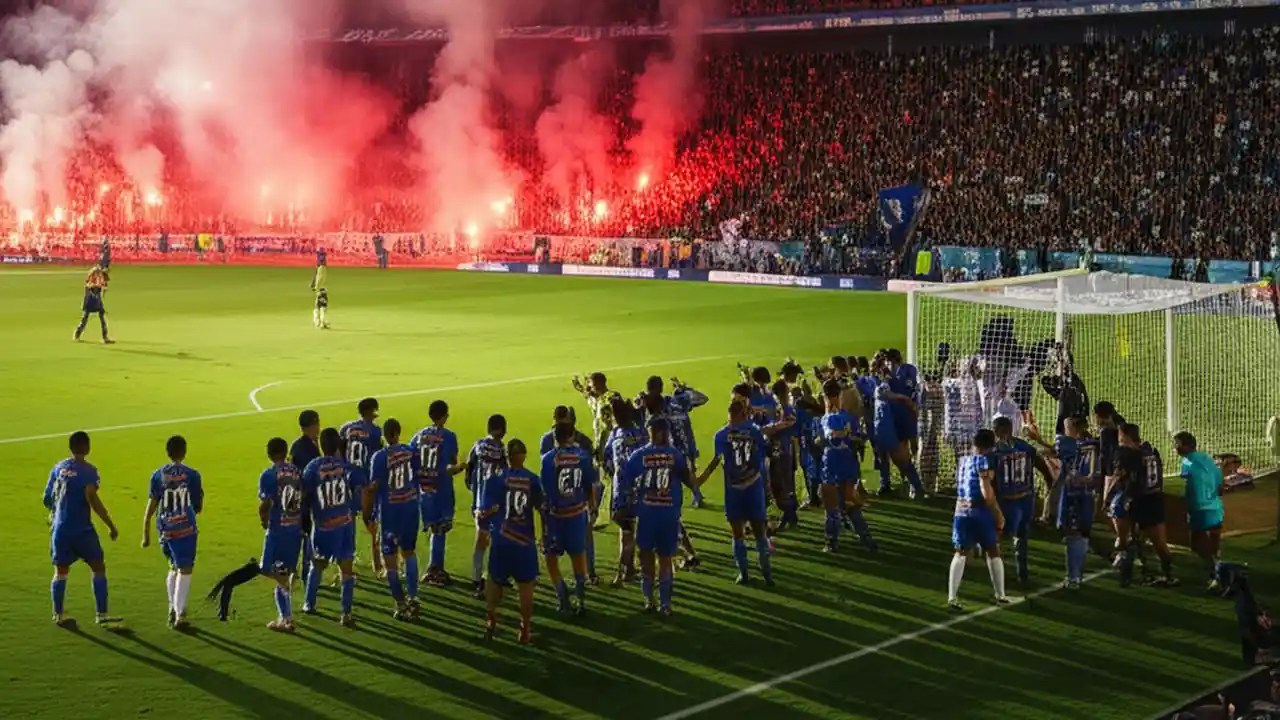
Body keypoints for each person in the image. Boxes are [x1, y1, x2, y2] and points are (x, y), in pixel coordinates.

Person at [205, 438, 303, 627]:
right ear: (285, 452)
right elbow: (302, 495)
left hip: (277, 530)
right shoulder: (297, 472)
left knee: (267, 568)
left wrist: (263, 519)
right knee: (284, 570)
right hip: (294, 527)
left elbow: (265, 504)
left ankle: (285, 603)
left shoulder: (269, 474)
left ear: (270, 454)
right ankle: (286, 618)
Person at [44, 431, 122, 627]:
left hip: (60, 530)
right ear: (87, 447)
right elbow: (93, 500)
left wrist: (55, 514)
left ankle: (58, 614)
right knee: (98, 566)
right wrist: (111, 525)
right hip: (82, 530)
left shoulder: (58, 468)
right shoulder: (89, 471)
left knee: (61, 571)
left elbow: (46, 498)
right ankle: (102, 614)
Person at [698, 400, 773, 586]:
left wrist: (700, 479)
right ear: (743, 413)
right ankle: (767, 574)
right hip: (753, 485)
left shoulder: (721, 435)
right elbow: (762, 459)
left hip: (734, 489)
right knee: (760, 533)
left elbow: (718, 460)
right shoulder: (754, 430)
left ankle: (743, 574)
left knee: (737, 533)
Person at [623, 417, 691, 615]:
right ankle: (663, 603)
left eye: (652, 430)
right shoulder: (675, 455)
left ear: (660, 432)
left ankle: (651, 600)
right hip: (667, 513)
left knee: (649, 556)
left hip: (649, 514)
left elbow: (627, 480)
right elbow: (687, 478)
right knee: (663, 558)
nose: (650, 434)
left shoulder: (640, 455)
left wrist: (628, 504)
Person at [479, 439, 544, 643]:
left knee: (494, 580)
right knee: (526, 585)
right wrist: (545, 534)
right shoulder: (532, 480)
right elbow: (541, 508)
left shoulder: (494, 480)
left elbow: (483, 513)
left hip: (501, 539)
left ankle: (491, 621)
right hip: (524, 540)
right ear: (523, 456)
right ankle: (524, 629)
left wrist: (489, 527)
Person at [301, 428, 366, 625]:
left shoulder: (313, 467)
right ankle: (346, 613)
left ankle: (309, 603)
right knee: (346, 567)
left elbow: (304, 495)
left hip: (323, 526)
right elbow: (359, 487)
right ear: (338, 445)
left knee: (318, 564)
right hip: (344, 523)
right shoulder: (345, 467)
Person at [141, 435, 204, 629]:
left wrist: (145, 532)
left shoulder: (157, 475)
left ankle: (172, 608)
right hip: (184, 529)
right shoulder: (192, 475)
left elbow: (152, 504)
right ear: (184, 452)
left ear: (167, 453)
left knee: (172, 567)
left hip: (165, 529)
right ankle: (180, 615)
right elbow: (198, 504)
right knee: (185, 569)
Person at [363, 419, 422, 620]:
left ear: (385, 436)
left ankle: (401, 604)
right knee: (409, 553)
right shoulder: (410, 451)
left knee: (390, 561)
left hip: (390, 512)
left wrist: (367, 513)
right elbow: (418, 474)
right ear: (398, 432)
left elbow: (373, 487)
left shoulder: (379, 457)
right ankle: (414, 597)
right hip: (411, 507)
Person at [539, 422, 598, 615]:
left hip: (556, 517)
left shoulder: (548, 459)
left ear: (555, 438)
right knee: (578, 557)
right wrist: (592, 506)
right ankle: (582, 602)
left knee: (550, 559)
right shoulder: (583, 456)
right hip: (577, 514)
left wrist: (543, 523)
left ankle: (563, 599)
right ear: (572, 435)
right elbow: (590, 485)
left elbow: (545, 495)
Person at [947, 429, 1009, 610]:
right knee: (992, 550)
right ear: (991, 446)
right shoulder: (983, 461)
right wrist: (998, 513)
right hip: (979, 511)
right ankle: (1001, 595)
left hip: (961, 511)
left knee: (960, 552)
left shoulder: (963, 461)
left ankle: (952, 596)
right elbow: (986, 492)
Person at [815, 380, 877, 553]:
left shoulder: (827, 419)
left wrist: (823, 440)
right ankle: (866, 539)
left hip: (832, 465)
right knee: (850, 505)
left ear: (826, 397)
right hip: (849, 464)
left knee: (832, 508)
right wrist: (853, 438)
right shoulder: (850, 418)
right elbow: (859, 438)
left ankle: (831, 542)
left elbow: (831, 437)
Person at [990, 416, 1053, 585]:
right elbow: (1040, 463)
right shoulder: (1024, 446)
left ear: (996, 432)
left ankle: (1002, 572)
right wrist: (1048, 480)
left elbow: (988, 477)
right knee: (1021, 536)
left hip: (1006, 500)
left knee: (1000, 535)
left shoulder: (994, 450)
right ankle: (1021, 572)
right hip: (1026, 498)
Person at [1114, 422, 1178, 587]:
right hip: (1155, 498)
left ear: (1125, 436)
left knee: (1137, 539)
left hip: (1141, 500)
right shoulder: (1151, 451)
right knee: (1155, 542)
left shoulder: (1129, 454)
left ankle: (1143, 574)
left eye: (1120, 435)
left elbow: (1122, 477)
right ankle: (1163, 574)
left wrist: (1116, 496)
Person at [411, 400, 465, 587]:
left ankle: (433, 567)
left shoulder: (418, 436)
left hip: (424, 490)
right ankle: (435, 570)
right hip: (441, 489)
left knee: (434, 529)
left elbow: (412, 459)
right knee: (440, 530)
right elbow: (450, 466)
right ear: (443, 416)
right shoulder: (449, 436)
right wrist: (462, 467)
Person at [603, 399, 648, 586]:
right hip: (639, 487)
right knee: (627, 529)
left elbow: (606, 460)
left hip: (620, 488)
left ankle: (621, 573)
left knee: (626, 529)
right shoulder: (641, 434)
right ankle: (628, 570)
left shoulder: (614, 435)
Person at [1175, 431, 1226, 589]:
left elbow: (1191, 486)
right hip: (1216, 507)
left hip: (1200, 508)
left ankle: (1217, 574)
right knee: (1213, 541)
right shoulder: (1208, 459)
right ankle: (1218, 568)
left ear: (1187, 446)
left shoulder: (1188, 462)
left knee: (1197, 544)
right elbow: (1220, 486)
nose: (1175, 448)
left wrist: (1188, 505)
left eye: (1178, 444)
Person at [1053, 416, 1100, 589]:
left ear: (1072, 429)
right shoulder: (1095, 445)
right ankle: (1077, 575)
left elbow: (1056, 451)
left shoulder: (1068, 444)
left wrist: (1036, 439)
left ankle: (1073, 578)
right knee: (1083, 533)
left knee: (1072, 535)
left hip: (1073, 495)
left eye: (1066, 428)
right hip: (1089, 495)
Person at [466, 414, 509, 599]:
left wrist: (474, 492)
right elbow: (506, 476)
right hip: (496, 503)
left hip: (480, 502)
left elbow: (469, 469)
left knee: (480, 540)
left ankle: (476, 578)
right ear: (502, 429)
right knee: (498, 541)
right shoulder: (501, 450)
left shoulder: (477, 446)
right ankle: (495, 578)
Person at [342, 398, 384, 577]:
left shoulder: (346, 428)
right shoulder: (374, 431)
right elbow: (376, 457)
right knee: (372, 523)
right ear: (370, 411)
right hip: (365, 481)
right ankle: (377, 563)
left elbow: (340, 451)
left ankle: (348, 561)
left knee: (349, 521)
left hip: (348, 479)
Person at [872, 357, 925, 498]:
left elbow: (899, 399)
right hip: (881, 427)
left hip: (890, 427)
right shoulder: (881, 384)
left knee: (901, 459)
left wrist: (908, 402)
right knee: (883, 457)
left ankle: (917, 487)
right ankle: (886, 485)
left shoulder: (887, 386)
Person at [290, 410, 322, 585]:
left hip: (297, 498)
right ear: (312, 424)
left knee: (301, 535)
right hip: (307, 499)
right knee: (308, 536)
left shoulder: (298, 445)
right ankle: (305, 574)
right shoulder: (308, 448)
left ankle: (295, 571)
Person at [769, 380, 801, 531]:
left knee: (783, 485)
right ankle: (791, 515)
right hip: (781, 451)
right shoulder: (780, 409)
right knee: (783, 485)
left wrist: (775, 427)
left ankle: (786, 516)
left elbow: (791, 427)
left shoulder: (787, 410)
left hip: (784, 452)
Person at [74, 264, 114, 344]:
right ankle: (77, 334)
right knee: (85, 318)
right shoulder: (92, 278)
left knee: (101, 318)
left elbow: (103, 284)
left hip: (96, 299)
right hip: (90, 300)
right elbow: (92, 286)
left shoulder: (100, 277)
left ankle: (104, 337)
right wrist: (99, 286)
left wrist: (103, 286)